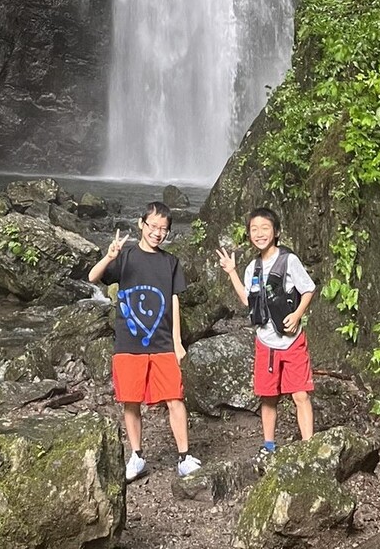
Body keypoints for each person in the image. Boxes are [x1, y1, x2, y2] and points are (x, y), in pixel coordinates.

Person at [89, 199, 202, 482]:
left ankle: (184, 457)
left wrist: (177, 341)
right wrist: (109, 256)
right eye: (153, 226)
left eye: (164, 228)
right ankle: (137, 456)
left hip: (162, 342)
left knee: (175, 397)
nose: (158, 232)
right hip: (129, 342)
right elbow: (92, 277)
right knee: (130, 400)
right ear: (141, 224)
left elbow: (174, 301)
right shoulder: (125, 257)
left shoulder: (170, 263)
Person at [217, 206, 315, 458]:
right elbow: (247, 301)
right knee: (268, 395)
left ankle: (309, 447)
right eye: (254, 229)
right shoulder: (252, 268)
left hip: (291, 340)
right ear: (249, 235)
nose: (259, 233)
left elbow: (308, 289)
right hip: (265, 342)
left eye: (265, 228)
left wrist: (297, 314)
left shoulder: (288, 260)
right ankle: (269, 444)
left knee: (300, 393)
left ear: (276, 232)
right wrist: (231, 272)